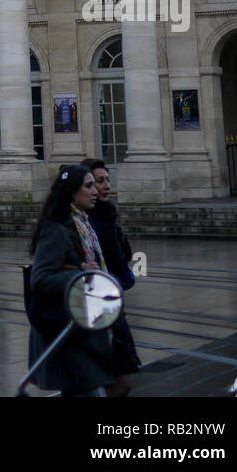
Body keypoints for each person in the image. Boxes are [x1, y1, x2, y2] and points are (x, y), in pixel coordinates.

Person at [25, 164, 114, 398]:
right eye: (88, 186)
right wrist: (80, 275)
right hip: (66, 329)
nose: (95, 191)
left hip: (79, 327)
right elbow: (40, 278)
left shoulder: (81, 223)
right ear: (72, 192)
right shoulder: (57, 229)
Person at [85, 157, 141, 397]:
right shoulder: (85, 223)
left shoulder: (107, 218)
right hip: (98, 311)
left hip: (113, 305)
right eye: (99, 181)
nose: (107, 186)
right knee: (117, 382)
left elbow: (123, 255)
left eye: (107, 180)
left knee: (117, 381)